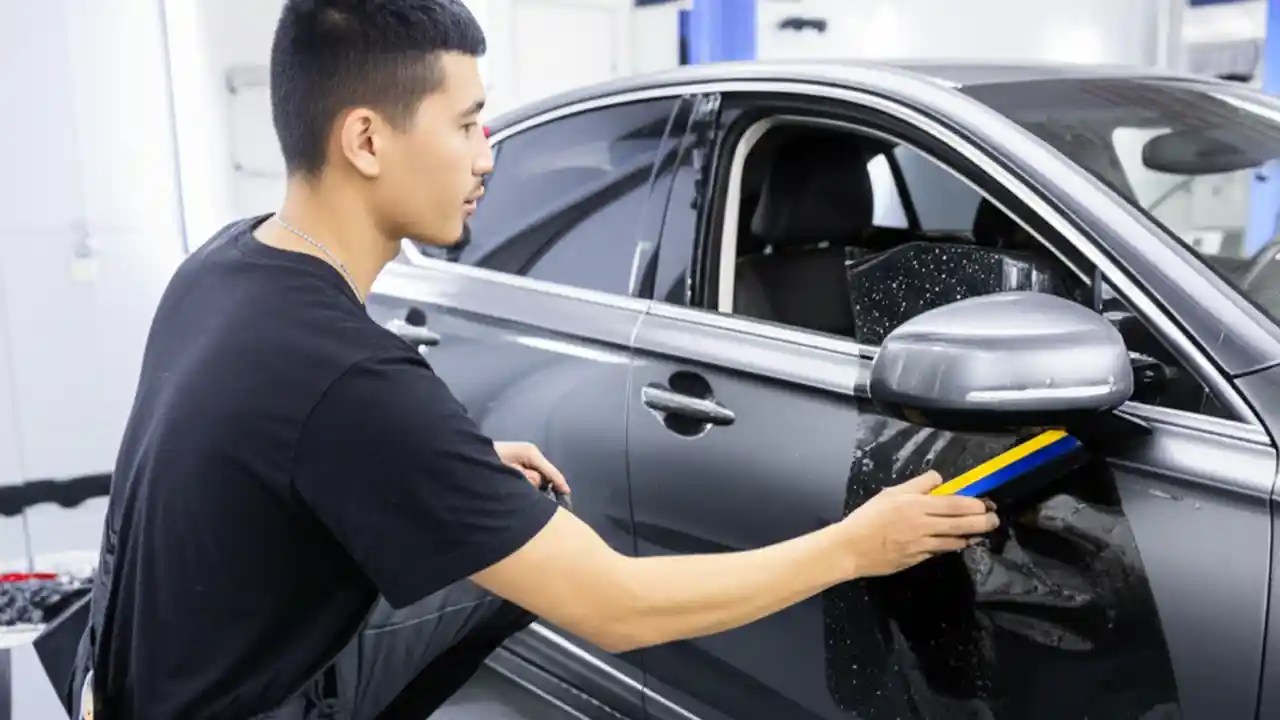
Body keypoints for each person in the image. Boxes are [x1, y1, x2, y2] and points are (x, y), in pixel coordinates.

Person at [70, 1, 999, 717]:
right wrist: (854, 547)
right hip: (239, 703)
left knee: (505, 535)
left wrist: (455, 474)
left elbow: (172, 492)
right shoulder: (352, 377)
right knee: (548, 567)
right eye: (469, 124)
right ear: (365, 138)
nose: (489, 156)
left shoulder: (227, 265)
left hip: (129, 685)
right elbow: (618, 607)